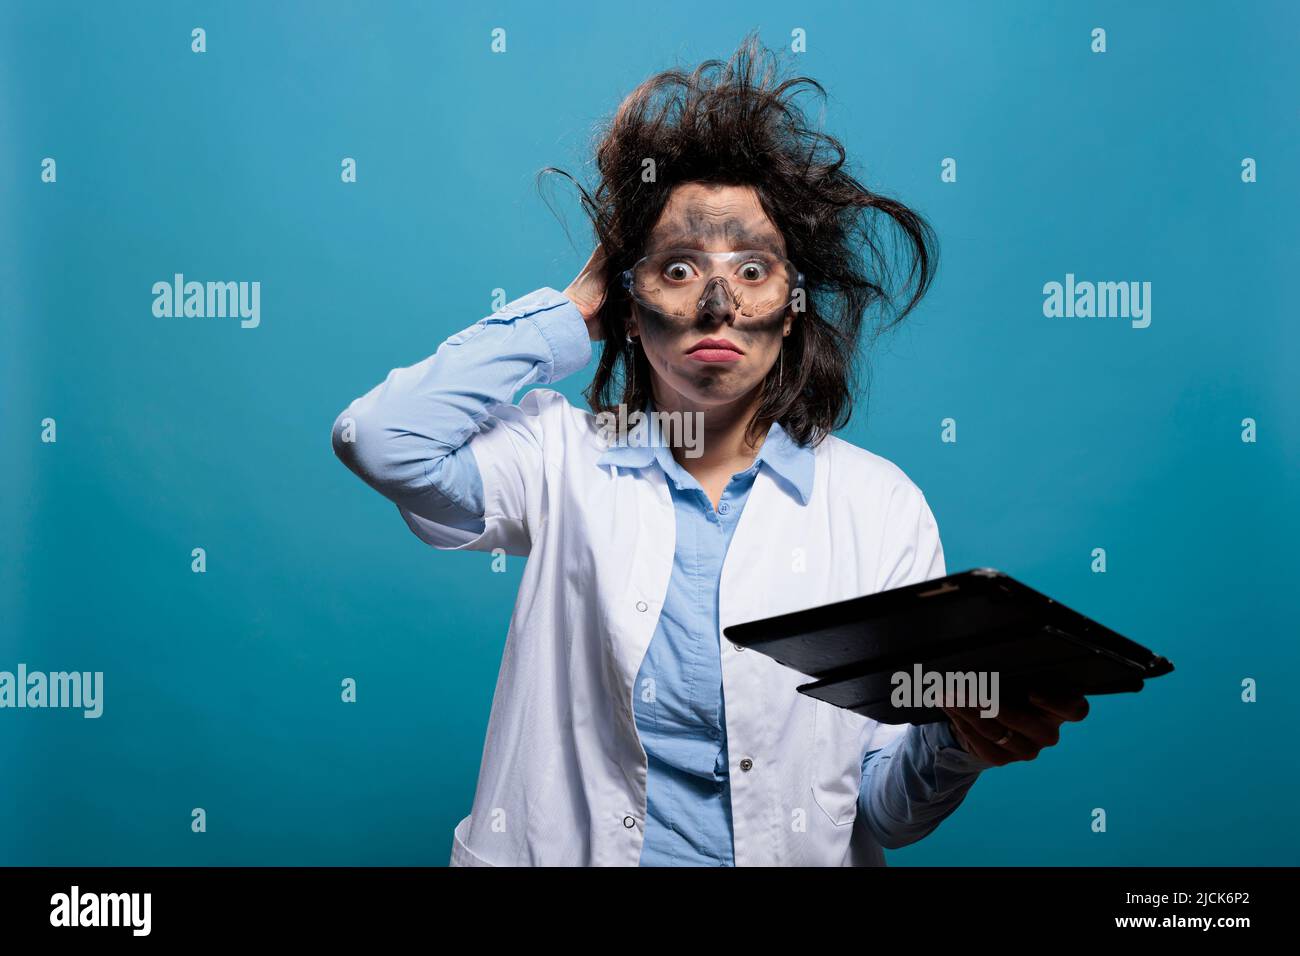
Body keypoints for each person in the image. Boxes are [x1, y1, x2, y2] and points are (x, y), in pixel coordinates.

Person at [331, 35, 1088, 867]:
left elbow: (883, 813)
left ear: (793, 307)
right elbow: (382, 439)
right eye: (680, 270)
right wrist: (576, 306)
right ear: (629, 307)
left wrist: (957, 741)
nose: (719, 305)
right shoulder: (557, 458)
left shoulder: (880, 507)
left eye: (754, 271)